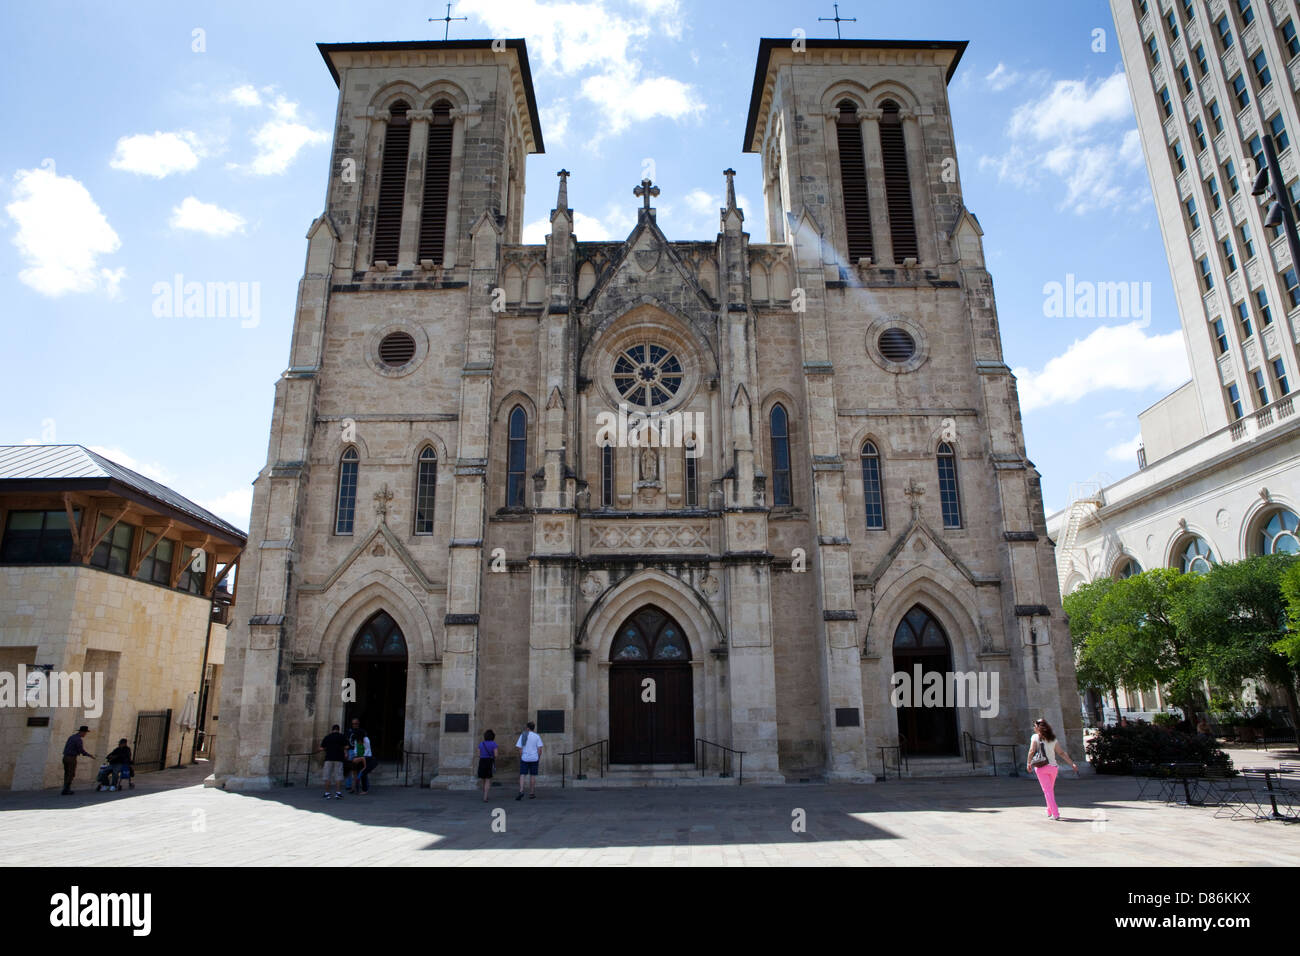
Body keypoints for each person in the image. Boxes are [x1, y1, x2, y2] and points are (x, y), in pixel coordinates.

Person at [1026, 717, 1077, 821]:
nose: (1034, 728)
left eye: (1035, 726)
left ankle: (1055, 813)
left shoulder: (1035, 737)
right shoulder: (1052, 738)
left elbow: (1031, 751)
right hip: (1053, 767)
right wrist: (1072, 764)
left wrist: (1028, 762)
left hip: (1041, 767)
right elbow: (1061, 753)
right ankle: (1049, 810)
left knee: (1047, 791)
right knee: (1049, 790)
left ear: (1038, 728)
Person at [61, 725, 94, 795]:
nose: (85, 734)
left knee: (67, 773)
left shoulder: (72, 737)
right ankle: (66, 789)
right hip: (71, 758)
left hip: (65, 757)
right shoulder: (78, 739)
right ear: (82, 732)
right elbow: (80, 749)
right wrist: (89, 755)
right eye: (85, 733)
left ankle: (65, 788)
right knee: (71, 773)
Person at [515, 721, 543, 800]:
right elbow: (540, 749)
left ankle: (521, 791)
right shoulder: (537, 736)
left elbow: (519, 748)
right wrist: (538, 757)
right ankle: (531, 793)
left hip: (525, 758)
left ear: (527, 728)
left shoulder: (523, 735)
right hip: (534, 758)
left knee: (522, 775)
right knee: (532, 775)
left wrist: (522, 756)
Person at [318, 724, 348, 799]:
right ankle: (338, 793)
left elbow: (321, 748)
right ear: (338, 729)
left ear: (332, 729)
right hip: (339, 758)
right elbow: (347, 746)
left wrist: (327, 748)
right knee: (338, 776)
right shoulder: (342, 736)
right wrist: (343, 750)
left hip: (328, 758)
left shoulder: (327, 737)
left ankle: (327, 793)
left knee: (327, 776)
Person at [477, 730, 498, 802]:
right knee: (488, 779)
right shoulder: (494, 744)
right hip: (489, 761)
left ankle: (484, 795)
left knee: (483, 779)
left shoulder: (481, 744)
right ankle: (485, 797)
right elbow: (496, 755)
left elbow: (479, 754)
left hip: (482, 761)